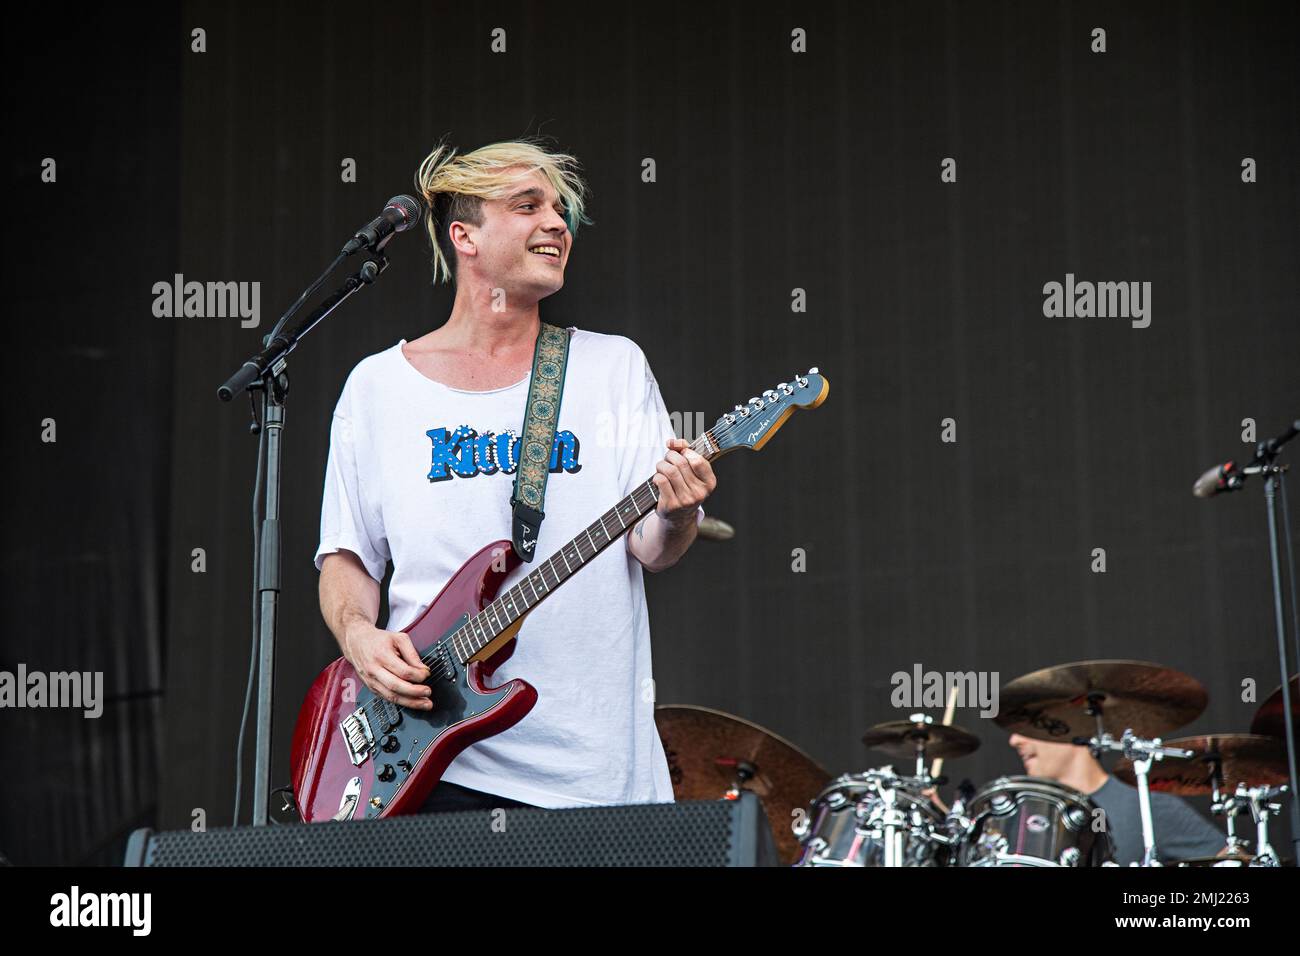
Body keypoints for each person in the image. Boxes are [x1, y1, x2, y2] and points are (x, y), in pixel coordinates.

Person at [314, 136, 715, 813]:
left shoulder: (609, 368)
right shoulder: (376, 389)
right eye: (527, 206)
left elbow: (652, 546)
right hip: (430, 761)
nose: (556, 223)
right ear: (463, 235)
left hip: (593, 772)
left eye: (560, 210)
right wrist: (358, 636)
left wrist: (678, 511)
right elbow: (348, 555)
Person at [1007, 732, 1228, 865]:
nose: (1014, 740)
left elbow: (1231, 862)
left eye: (1026, 729)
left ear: (1073, 729)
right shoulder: (1019, 819)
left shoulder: (1143, 806)